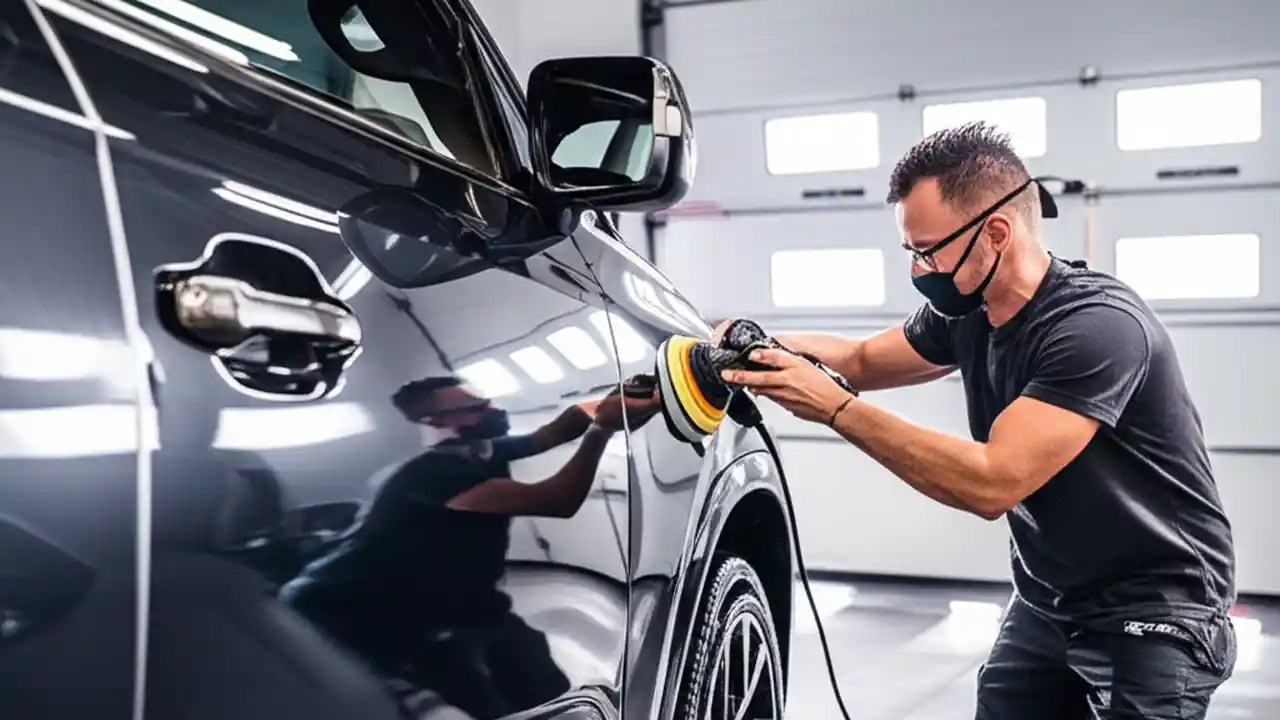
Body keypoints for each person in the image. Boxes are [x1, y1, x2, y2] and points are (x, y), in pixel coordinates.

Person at [720, 121, 1237, 718]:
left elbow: (992, 480)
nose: (918, 270)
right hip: (1052, 596)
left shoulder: (1095, 328)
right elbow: (860, 359)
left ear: (995, 233)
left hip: (1158, 607)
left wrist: (835, 407)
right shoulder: (970, 312)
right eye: (910, 251)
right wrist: (754, 344)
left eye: (928, 250)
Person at [280, 375, 659, 719]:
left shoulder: (479, 448)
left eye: (487, 401)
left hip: (464, 603)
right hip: (369, 614)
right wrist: (603, 430)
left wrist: (610, 401)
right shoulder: (434, 474)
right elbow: (558, 499)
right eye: (477, 408)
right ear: (438, 422)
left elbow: (548, 435)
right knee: (473, 700)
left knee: (536, 673)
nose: (492, 410)